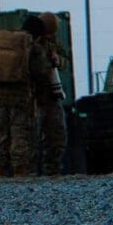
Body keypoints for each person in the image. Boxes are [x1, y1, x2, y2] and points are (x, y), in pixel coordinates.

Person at [0, 17, 40, 178]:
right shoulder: (31, 44)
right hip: (19, 97)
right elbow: (39, 71)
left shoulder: (1, 41)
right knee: (19, 132)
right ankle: (20, 169)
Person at [31, 13, 70, 177]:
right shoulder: (31, 43)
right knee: (32, 138)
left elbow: (65, 60)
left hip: (51, 96)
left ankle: (52, 171)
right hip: (34, 97)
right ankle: (31, 173)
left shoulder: (51, 44)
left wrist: (57, 60)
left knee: (57, 137)